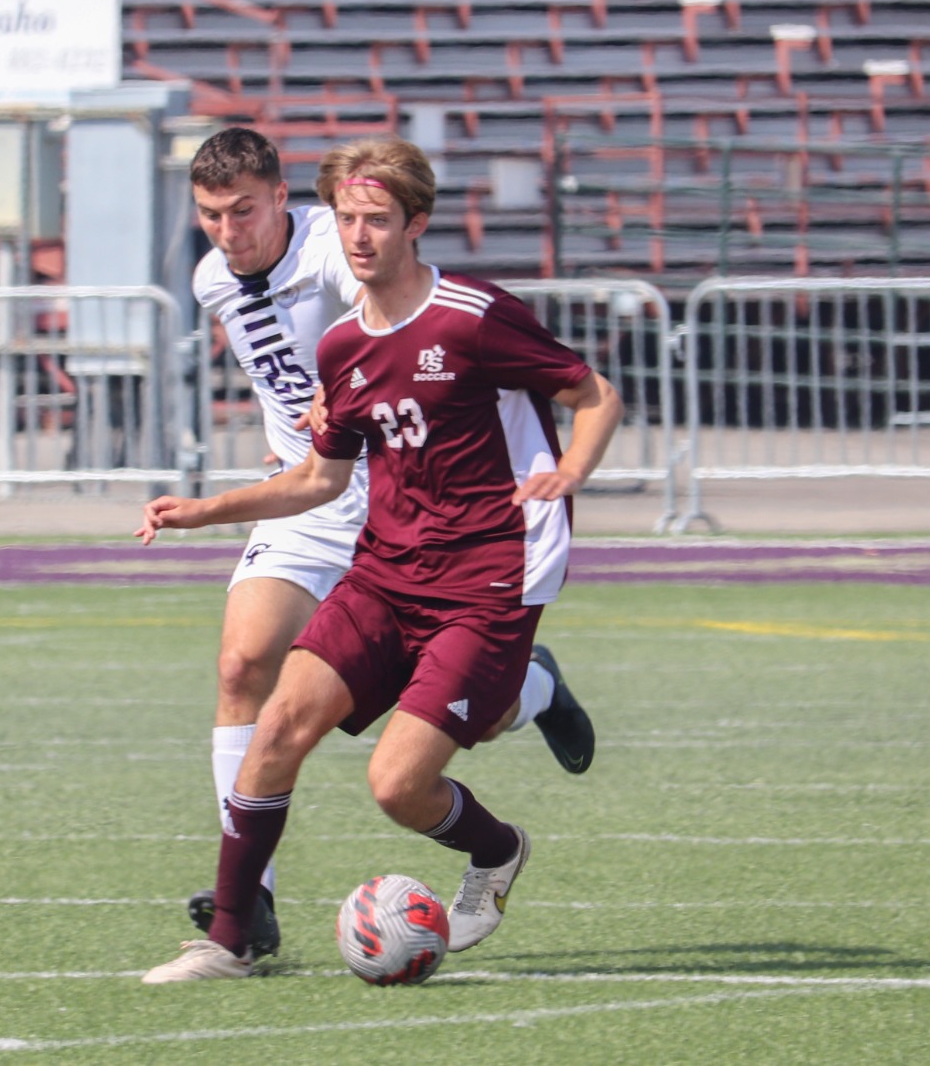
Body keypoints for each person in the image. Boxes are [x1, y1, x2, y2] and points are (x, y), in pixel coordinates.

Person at [137, 134, 624, 982]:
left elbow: (591, 392)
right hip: (384, 557)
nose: (359, 236)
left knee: (397, 785)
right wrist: (205, 510)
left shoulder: (470, 316)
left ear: (413, 224)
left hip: (487, 569)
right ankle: (232, 931)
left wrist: (570, 474)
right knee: (269, 701)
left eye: (376, 220)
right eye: (350, 219)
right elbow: (322, 475)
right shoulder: (335, 348)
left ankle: (499, 840)